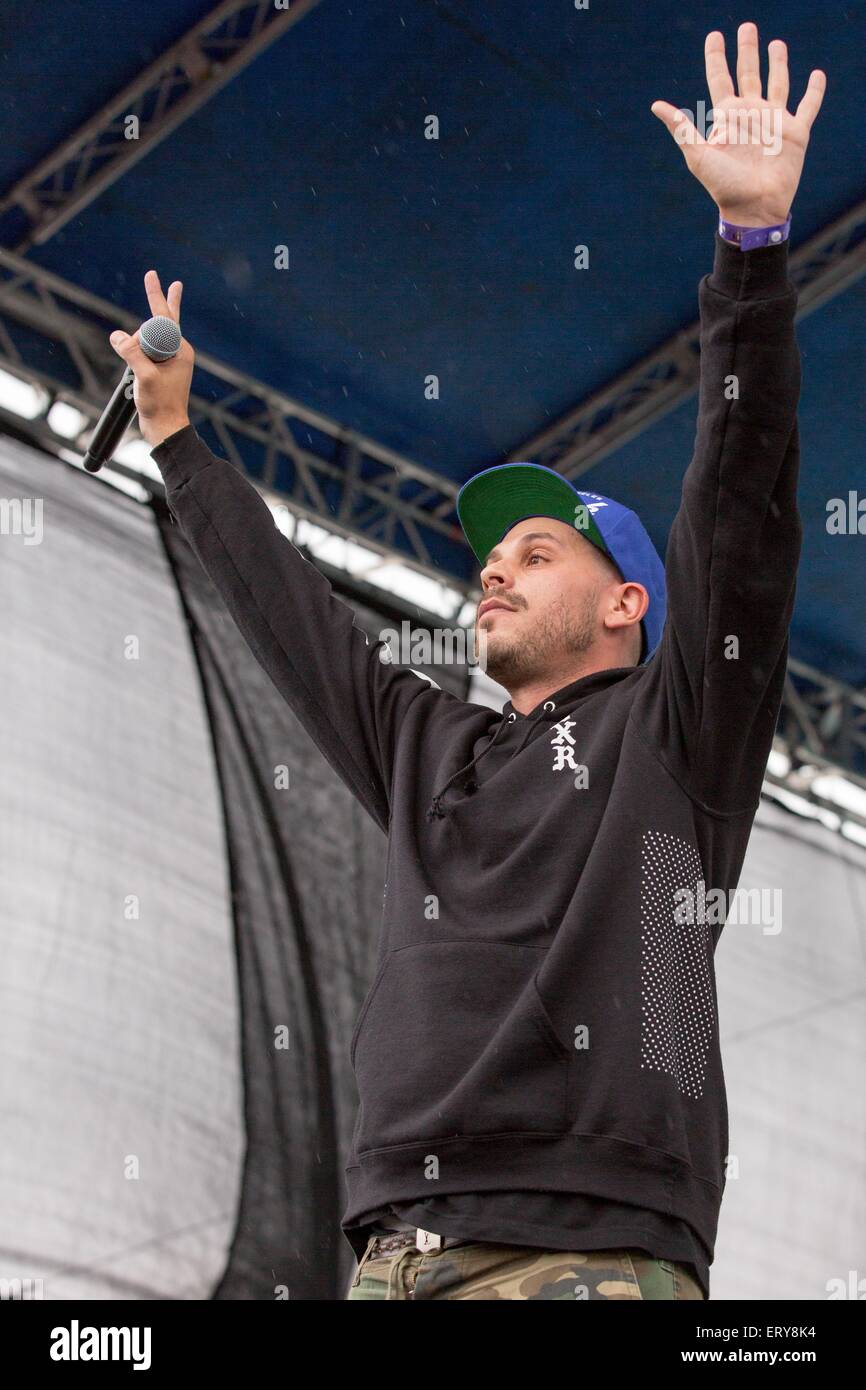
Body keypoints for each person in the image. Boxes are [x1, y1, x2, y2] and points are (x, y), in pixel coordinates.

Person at [108, 22, 824, 1300]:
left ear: (626, 608)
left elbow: (736, 506)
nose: (491, 569)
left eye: (536, 553)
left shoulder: (676, 731)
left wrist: (751, 254)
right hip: (392, 1252)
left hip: (584, 1246)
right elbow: (291, 614)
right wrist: (178, 445)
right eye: (491, 558)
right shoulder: (429, 743)